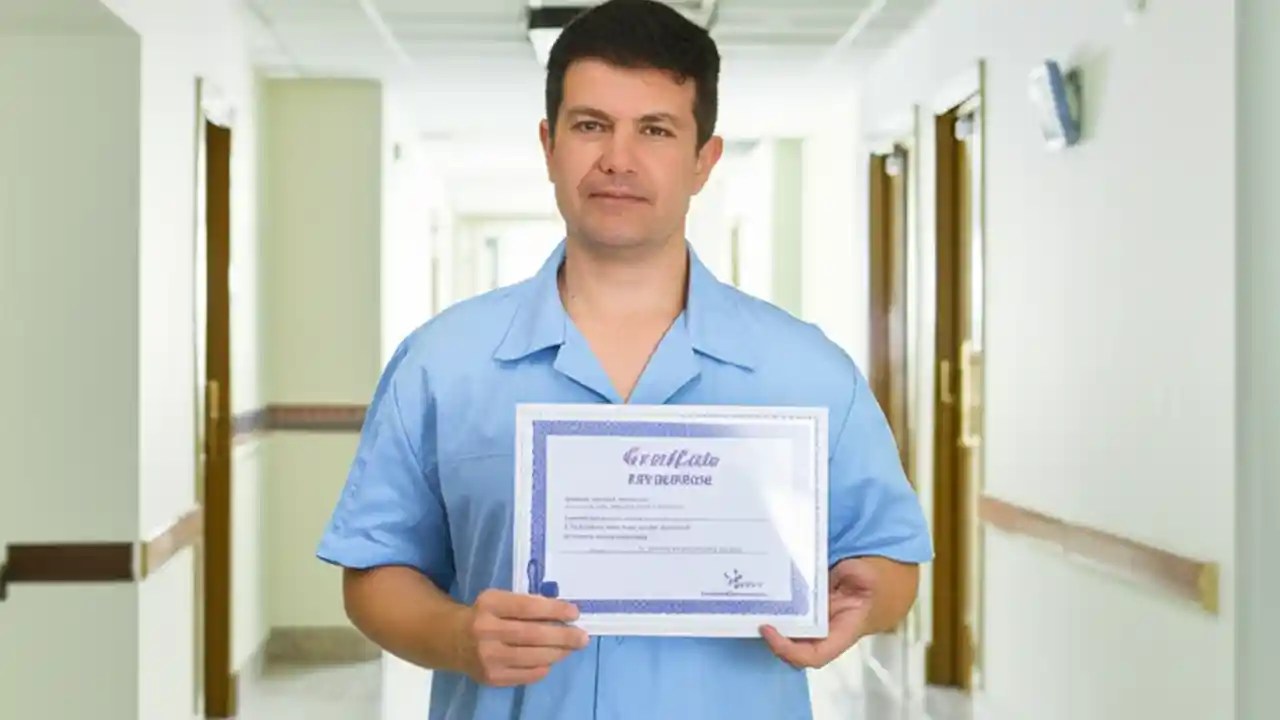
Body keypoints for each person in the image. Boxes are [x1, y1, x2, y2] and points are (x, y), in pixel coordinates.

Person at [315, 0, 933, 717]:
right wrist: (457, 636)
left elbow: (890, 560)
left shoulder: (807, 371)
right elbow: (374, 573)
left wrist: (865, 598)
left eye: (656, 130)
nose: (618, 158)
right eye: (590, 126)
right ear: (548, 145)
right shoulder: (442, 364)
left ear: (704, 159)